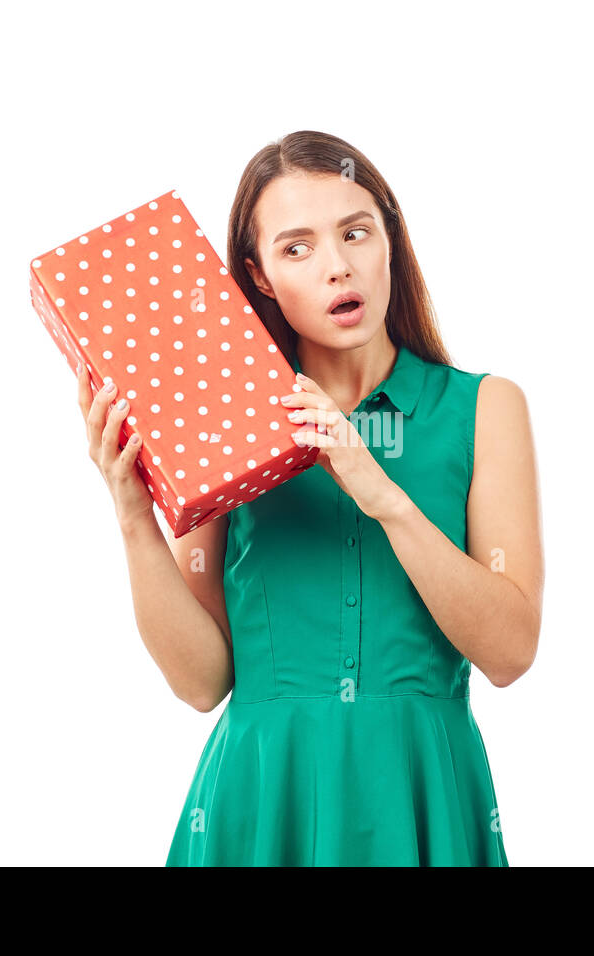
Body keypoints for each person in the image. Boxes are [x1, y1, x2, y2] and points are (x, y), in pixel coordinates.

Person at [77, 130, 544, 865]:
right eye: (296, 248)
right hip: (262, 802)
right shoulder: (221, 419)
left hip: (420, 791)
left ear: (390, 239)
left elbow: (511, 651)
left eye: (355, 233)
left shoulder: (485, 408)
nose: (337, 266)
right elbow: (201, 684)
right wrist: (134, 512)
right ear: (259, 277)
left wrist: (380, 493)